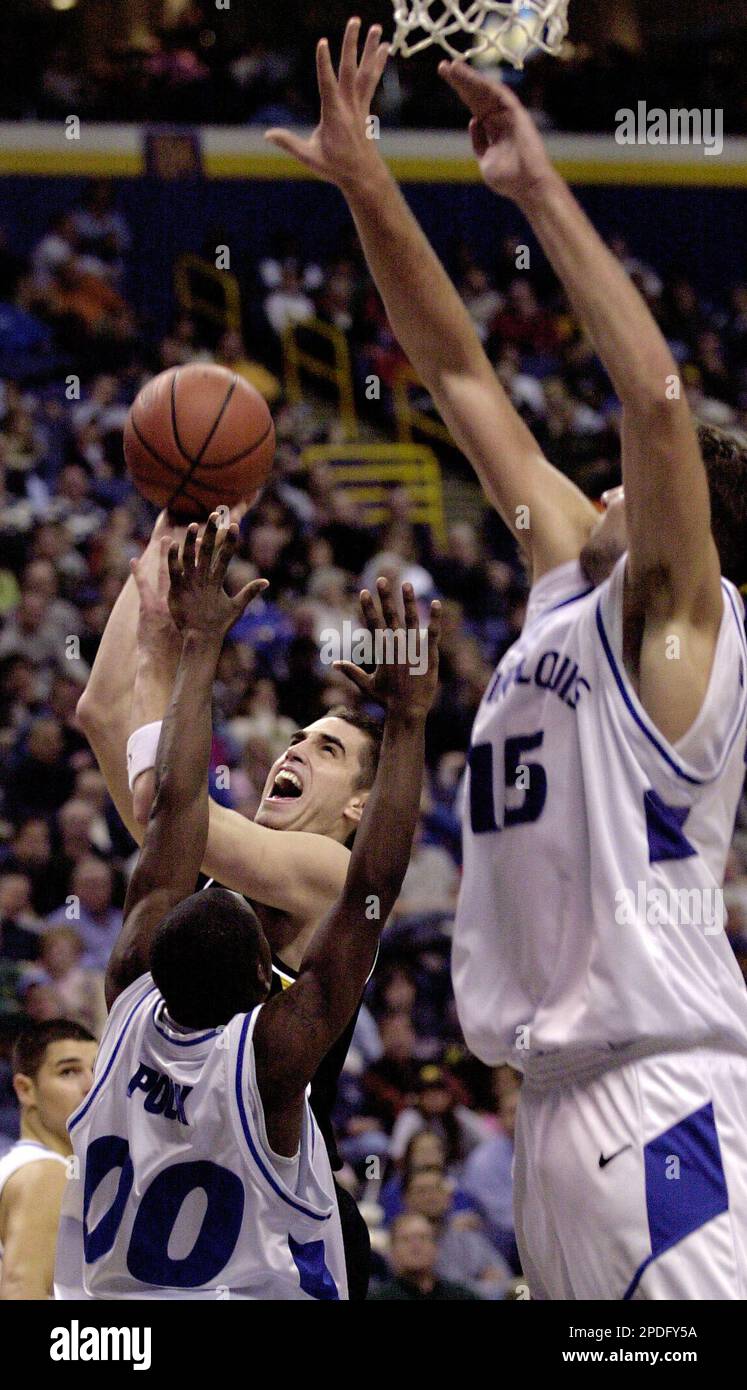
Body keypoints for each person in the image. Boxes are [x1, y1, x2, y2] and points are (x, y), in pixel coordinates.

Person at [268, 21, 747, 1299]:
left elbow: (652, 401)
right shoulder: (562, 586)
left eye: (622, 483)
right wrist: (368, 180)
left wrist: (539, 185)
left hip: (661, 1101)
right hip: (547, 1115)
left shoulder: (681, 632)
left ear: (678, 516)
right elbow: (457, 371)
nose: (586, 479)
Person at [55, 514, 440, 1299]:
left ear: (362, 808)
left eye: (325, 751)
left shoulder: (324, 870)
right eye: (296, 738)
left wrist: (178, 640)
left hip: (274, 1208)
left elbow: (164, 799)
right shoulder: (204, 911)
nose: (294, 750)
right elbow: (104, 716)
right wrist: (160, 546)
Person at [0, 1019, 96, 1299]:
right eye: (69, 1072)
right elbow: (21, 1292)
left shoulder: (25, 1166)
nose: (91, 1086)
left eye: (98, 1070)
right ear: (25, 1090)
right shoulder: (46, 1173)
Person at [368, 1213, 480, 1301]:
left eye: (423, 1238)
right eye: (406, 1239)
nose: (416, 1246)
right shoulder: (377, 1297)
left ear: (436, 1247)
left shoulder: (462, 1296)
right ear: (392, 1251)